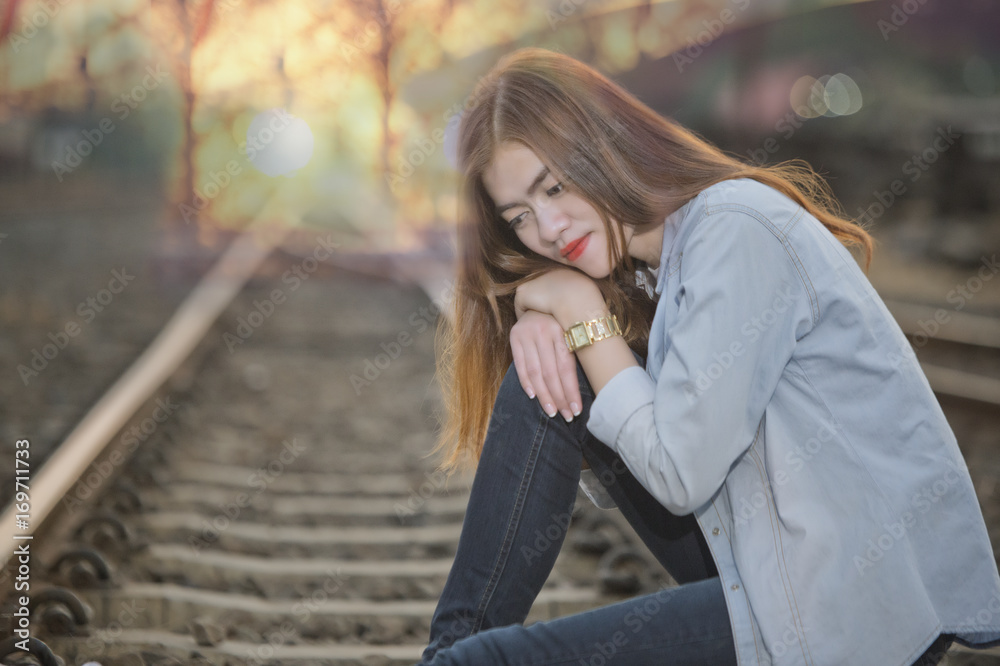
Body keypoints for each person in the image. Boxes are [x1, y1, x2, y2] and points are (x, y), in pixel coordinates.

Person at [416, 46, 1000, 665]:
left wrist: (580, 314)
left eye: (555, 186)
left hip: (840, 607)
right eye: (521, 217)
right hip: (770, 565)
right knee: (543, 389)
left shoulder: (733, 231)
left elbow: (676, 473)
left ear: (605, 143)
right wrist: (550, 316)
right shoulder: (655, 269)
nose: (551, 229)